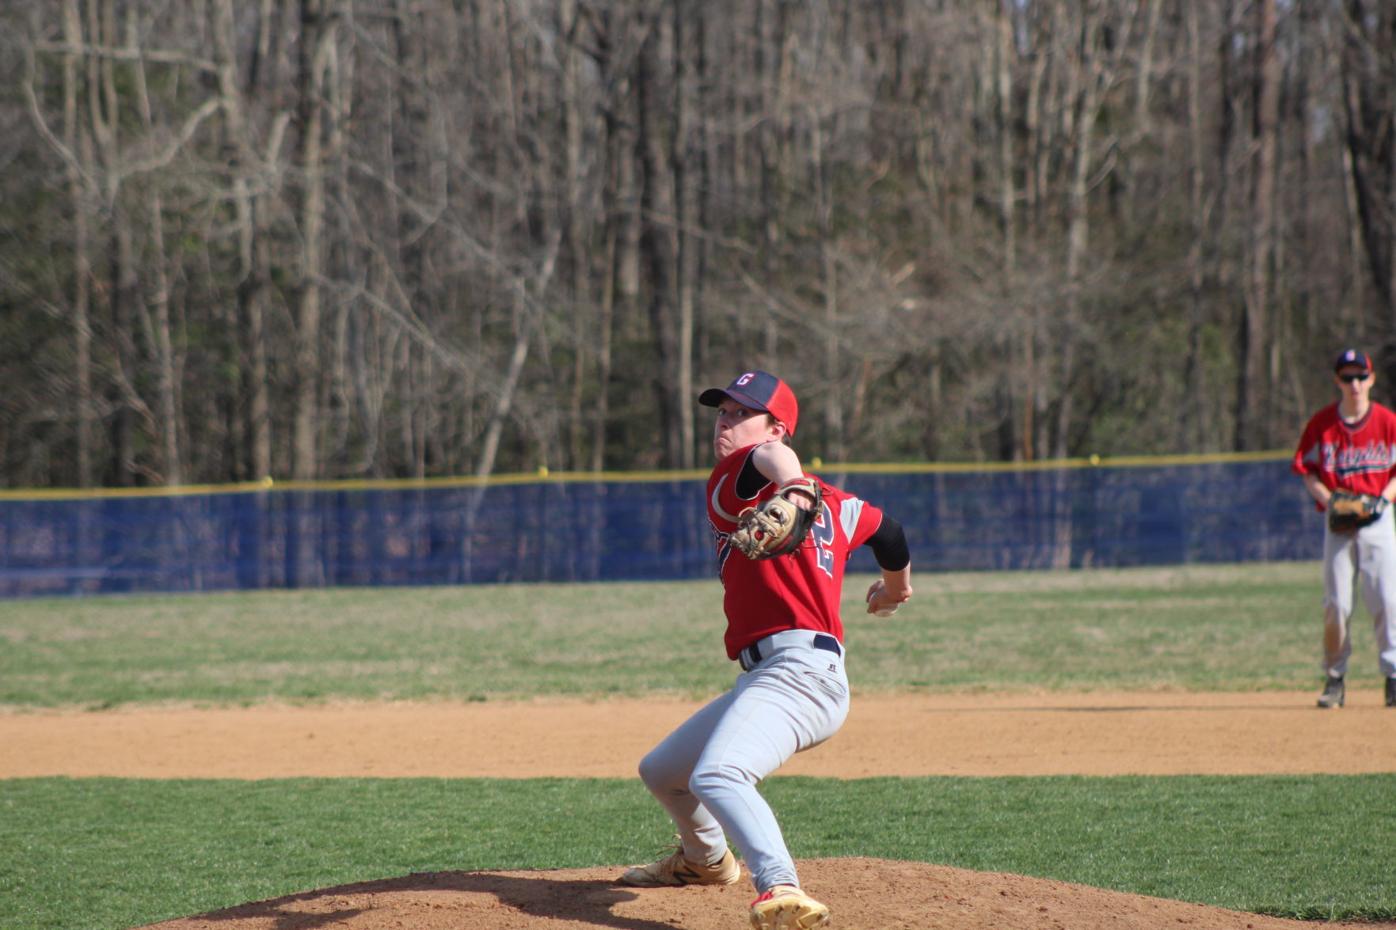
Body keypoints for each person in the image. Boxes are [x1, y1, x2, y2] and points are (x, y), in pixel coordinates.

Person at [617, 370, 913, 930]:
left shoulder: (748, 472)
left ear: (776, 428)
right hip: (772, 675)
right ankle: (705, 862)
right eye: (721, 413)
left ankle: (780, 884)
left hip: (801, 674)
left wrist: (795, 486)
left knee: (718, 774)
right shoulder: (835, 502)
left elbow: (775, 461)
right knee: (662, 771)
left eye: (738, 413)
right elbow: (891, 534)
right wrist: (895, 588)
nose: (723, 423)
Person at [1293, 348, 1396, 709]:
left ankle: (1394, 675)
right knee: (1336, 604)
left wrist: (1383, 499)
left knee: (1386, 598)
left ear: (1371, 379)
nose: (1355, 384)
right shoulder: (1322, 425)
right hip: (1338, 524)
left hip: (1378, 520)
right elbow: (1307, 469)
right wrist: (1330, 499)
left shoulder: (1386, 422)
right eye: (1347, 377)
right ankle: (1335, 678)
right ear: (1337, 381)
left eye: (1360, 376)